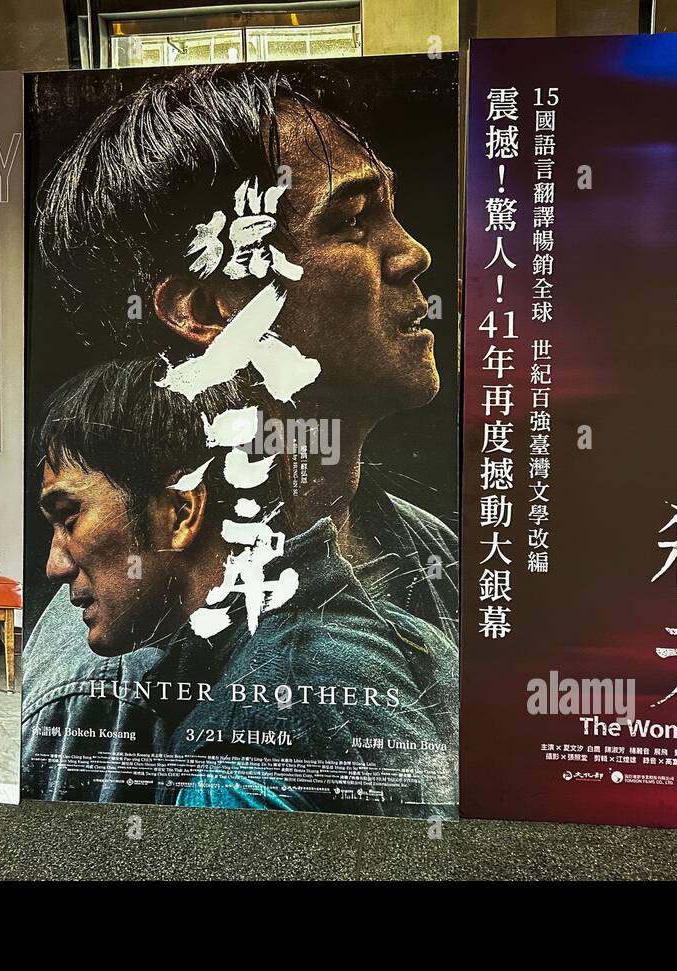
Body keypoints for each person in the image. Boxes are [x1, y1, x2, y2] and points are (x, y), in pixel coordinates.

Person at [35, 64, 458, 640]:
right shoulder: (123, 642)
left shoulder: (426, 543)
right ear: (207, 310)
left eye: (391, 210)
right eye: (353, 220)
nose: (412, 254)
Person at [21, 359, 457, 814]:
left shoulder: (232, 763)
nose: (55, 566)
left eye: (69, 515)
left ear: (180, 512)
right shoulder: (401, 638)